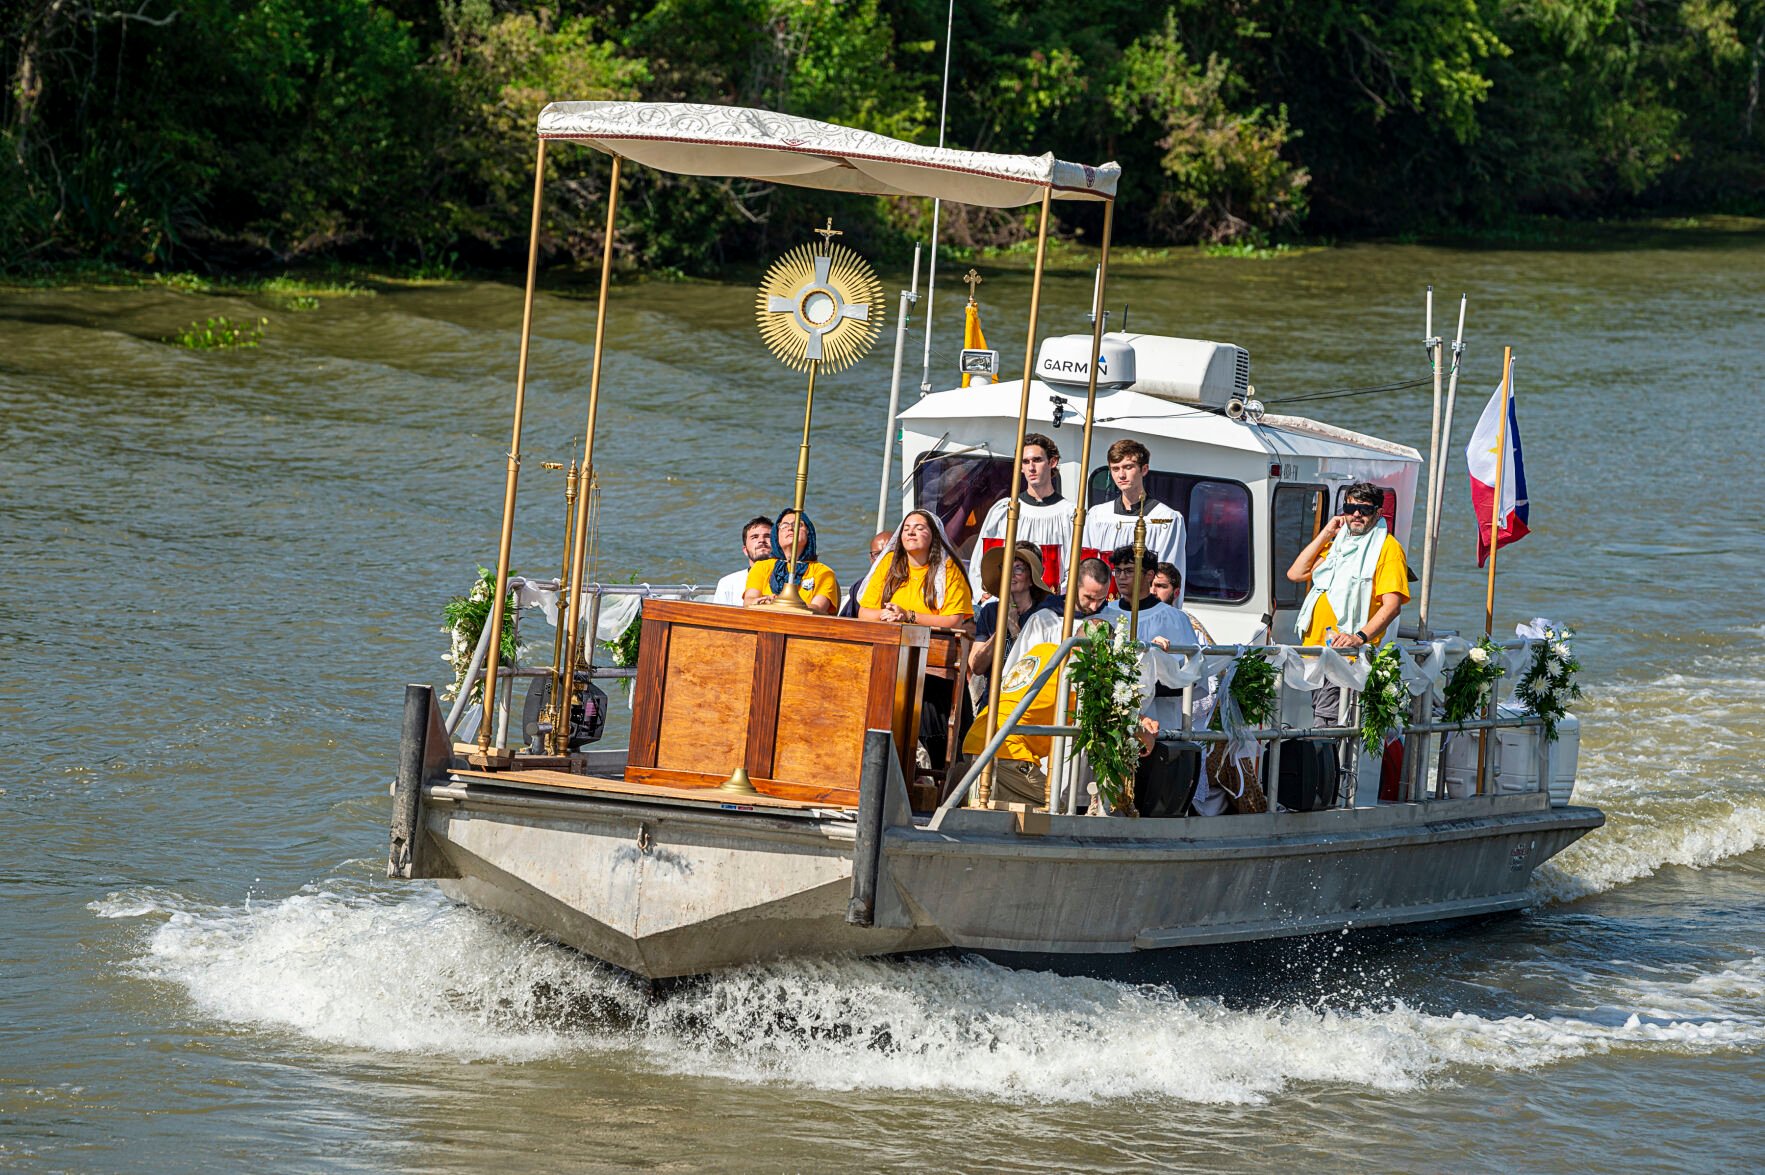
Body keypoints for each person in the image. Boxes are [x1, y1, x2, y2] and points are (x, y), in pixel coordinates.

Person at [1285, 481, 1410, 727]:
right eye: (1349, 508)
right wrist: (1327, 533)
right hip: (1318, 650)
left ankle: (1328, 765)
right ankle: (1326, 764)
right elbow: (1296, 573)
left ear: (1378, 513)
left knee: (1328, 724)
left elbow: (1392, 605)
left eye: (1364, 510)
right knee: (1322, 716)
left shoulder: (1387, 549)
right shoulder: (1338, 544)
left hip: (1345, 657)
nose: (1355, 515)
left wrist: (1359, 637)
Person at [859, 509, 975, 769]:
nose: (910, 531)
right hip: (892, 658)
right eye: (907, 527)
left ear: (933, 536)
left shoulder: (947, 569)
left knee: (937, 736)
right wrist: (888, 616)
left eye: (919, 527)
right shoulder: (889, 566)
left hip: (934, 662)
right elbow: (864, 613)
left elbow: (953, 619)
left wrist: (908, 616)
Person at [967, 432, 1074, 596]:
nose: (1031, 467)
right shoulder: (1005, 510)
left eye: (1037, 460)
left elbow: (1073, 568)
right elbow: (982, 562)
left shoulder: (1069, 514)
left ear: (1052, 462)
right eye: (1025, 462)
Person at [1081, 438, 1185, 602]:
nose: (1121, 475)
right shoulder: (1098, 516)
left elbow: (1168, 575)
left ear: (1144, 469)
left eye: (1128, 467)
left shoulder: (1166, 519)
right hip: (1102, 605)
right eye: (1115, 469)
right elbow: (1088, 566)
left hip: (1145, 608)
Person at [968, 540, 1062, 709]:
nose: (1011, 574)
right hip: (992, 701)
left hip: (1027, 702)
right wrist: (1002, 628)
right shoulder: (990, 612)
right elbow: (976, 666)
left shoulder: (1044, 615)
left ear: (1031, 578)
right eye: (1006, 567)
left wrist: (1015, 631)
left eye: (1018, 568)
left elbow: (1035, 667)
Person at [743, 509, 839, 614]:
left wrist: (779, 605)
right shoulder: (761, 567)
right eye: (784, 525)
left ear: (809, 533)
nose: (790, 528)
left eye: (798, 524)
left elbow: (818, 608)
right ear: (776, 536)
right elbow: (749, 601)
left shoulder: (823, 572)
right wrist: (764, 603)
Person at [713, 516, 773, 605]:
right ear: (745, 550)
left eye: (767, 536)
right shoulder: (727, 583)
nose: (761, 540)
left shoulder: (789, 579)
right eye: (754, 537)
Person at [839, 530, 892, 618]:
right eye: (878, 555)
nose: (884, 559)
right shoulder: (860, 587)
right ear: (871, 558)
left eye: (889, 553)